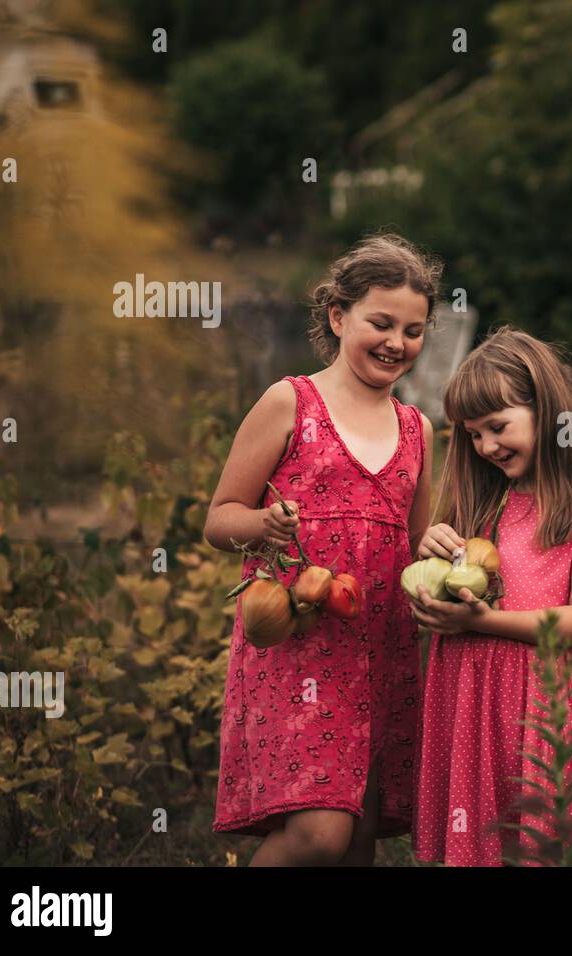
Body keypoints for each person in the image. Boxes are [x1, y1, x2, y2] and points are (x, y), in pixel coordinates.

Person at [204, 233, 441, 865]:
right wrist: (263, 526)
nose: (396, 342)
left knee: (359, 837)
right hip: (299, 644)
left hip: (383, 648)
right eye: (381, 323)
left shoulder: (419, 430)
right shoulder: (291, 402)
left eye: (414, 331)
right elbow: (219, 519)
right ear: (338, 317)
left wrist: (441, 553)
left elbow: (415, 547)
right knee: (319, 834)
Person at [411, 325, 572, 866]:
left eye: (497, 427)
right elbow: (440, 597)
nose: (486, 446)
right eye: (472, 435)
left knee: (534, 841)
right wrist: (428, 559)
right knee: (477, 841)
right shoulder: (480, 503)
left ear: (545, 410)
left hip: (539, 700)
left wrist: (480, 622)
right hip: (467, 691)